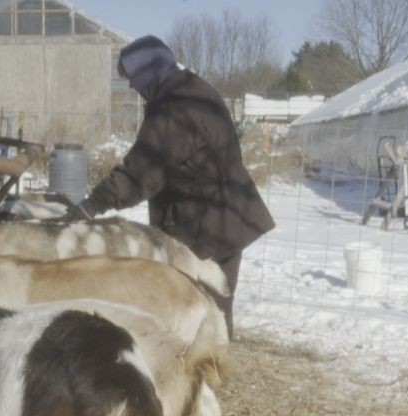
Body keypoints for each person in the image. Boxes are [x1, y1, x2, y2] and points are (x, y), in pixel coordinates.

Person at [59, 35, 275, 338]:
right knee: (215, 307)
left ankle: (205, 372)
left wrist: (91, 205)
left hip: (202, 226)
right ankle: (214, 366)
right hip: (223, 217)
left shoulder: (174, 106)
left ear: (150, 70)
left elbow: (142, 173)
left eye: (134, 78)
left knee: (194, 310)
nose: (133, 87)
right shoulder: (193, 88)